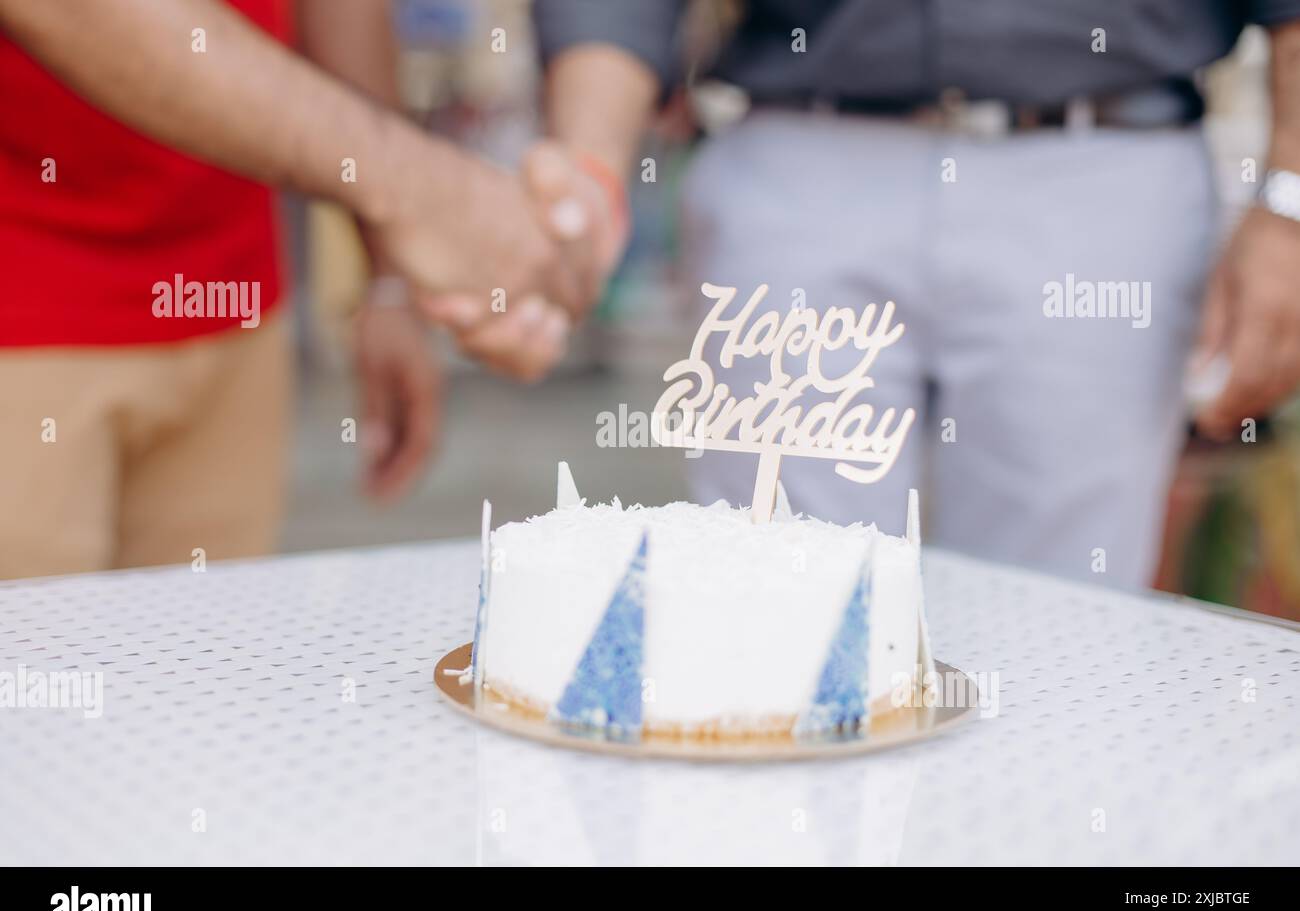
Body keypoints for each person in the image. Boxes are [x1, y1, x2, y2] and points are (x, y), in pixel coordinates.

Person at [531, 0, 1300, 588]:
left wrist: (1293, 202)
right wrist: (588, 174)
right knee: (779, 610)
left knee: (1066, 625)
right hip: (800, 164)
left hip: (1103, 159)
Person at [0, 0, 603, 579]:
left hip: (236, 298)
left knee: (207, 668)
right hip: (23, 298)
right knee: (33, 677)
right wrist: (426, 191)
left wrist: (389, 275)